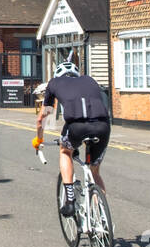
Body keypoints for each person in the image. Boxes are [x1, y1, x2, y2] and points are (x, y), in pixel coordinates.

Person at [35, 52, 110, 217]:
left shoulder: (54, 83)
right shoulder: (90, 80)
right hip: (103, 127)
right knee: (95, 171)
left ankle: (70, 201)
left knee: (65, 151)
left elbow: (43, 117)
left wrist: (39, 139)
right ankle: (102, 215)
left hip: (76, 127)